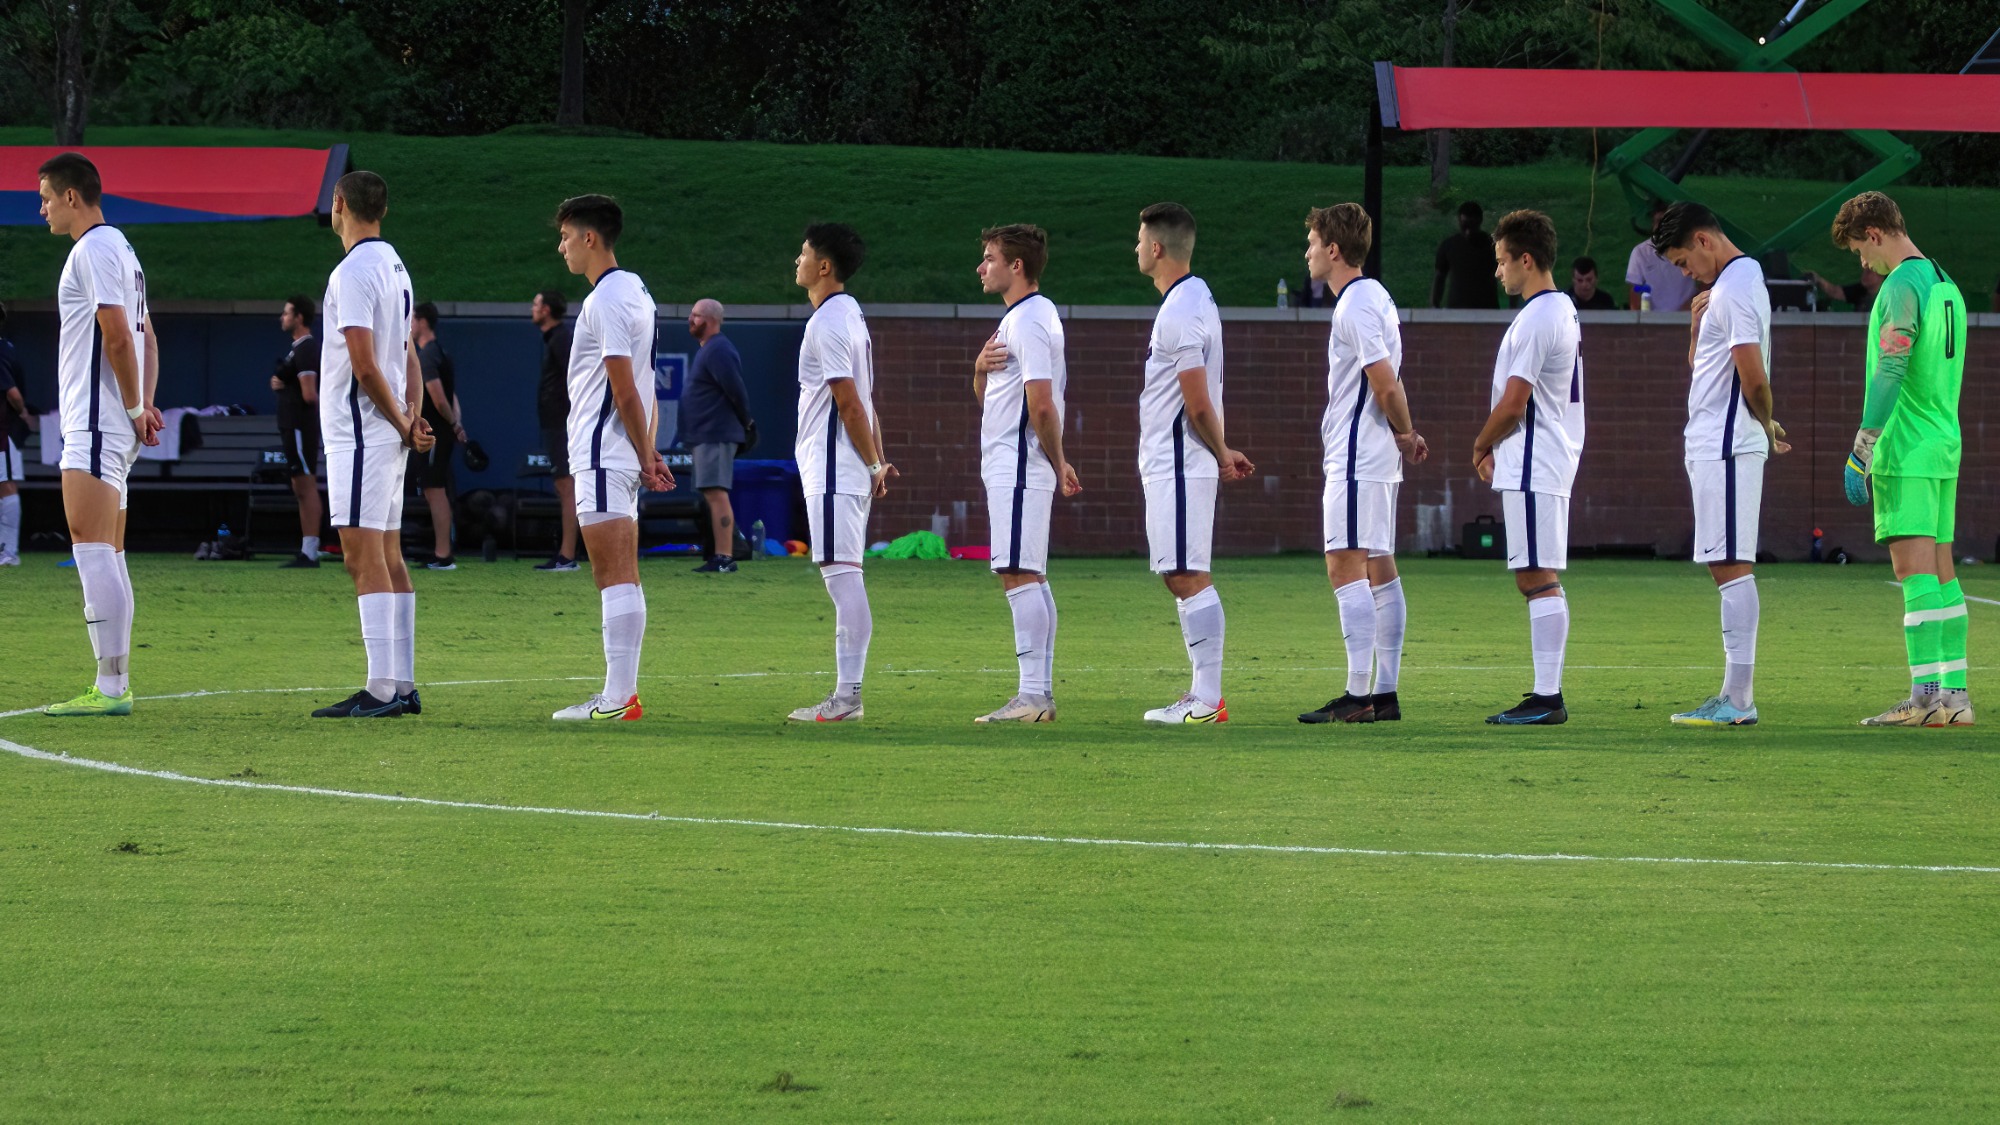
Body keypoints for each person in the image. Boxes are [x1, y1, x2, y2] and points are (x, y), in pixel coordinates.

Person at [1835, 191, 1974, 727]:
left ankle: (1922, 698)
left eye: (1858, 250)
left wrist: (1863, 445)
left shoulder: (1899, 286)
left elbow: (1890, 369)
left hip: (1907, 446)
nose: (1863, 264)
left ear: (1873, 234)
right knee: (1942, 572)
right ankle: (1954, 697)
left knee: (1913, 572)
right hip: (1944, 444)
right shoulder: (1946, 283)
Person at [1650, 202, 1790, 727]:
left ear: (1705, 241)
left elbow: (1752, 376)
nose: (1687, 274)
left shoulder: (1735, 285)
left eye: (1685, 262)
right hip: (1716, 441)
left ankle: (1739, 698)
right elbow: (1710, 368)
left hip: (1728, 442)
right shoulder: (1728, 288)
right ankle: (1733, 694)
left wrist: (1767, 423)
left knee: (1731, 564)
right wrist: (1693, 332)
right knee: (1723, 562)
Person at [35, 153, 162, 715]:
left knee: (91, 549)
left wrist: (136, 406)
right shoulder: (123, 251)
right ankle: (114, 680)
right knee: (110, 551)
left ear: (70, 197)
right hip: (115, 422)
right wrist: (143, 405)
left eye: (45, 197)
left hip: (94, 421)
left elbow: (117, 335)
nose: (41, 208)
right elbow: (148, 338)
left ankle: (110, 686)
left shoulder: (92, 248)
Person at [1297, 203, 1428, 725]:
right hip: (1371, 454)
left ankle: (1357, 695)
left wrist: (1405, 431)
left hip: (1358, 454)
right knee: (1379, 568)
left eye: (1311, 243)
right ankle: (1386, 693)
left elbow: (1383, 379)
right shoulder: (1374, 295)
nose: (1307, 253)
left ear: (1333, 250)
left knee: (1343, 565)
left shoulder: (1354, 303)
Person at [310, 170, 434, 719]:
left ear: (340, 203)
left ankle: (381, 687)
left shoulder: (354, 270)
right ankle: (402, 684)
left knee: (363, 558)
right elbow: (407, 351)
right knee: (388, 553)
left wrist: (405, 421)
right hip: (387, 429)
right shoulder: (395, 264)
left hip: (361, 431)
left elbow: (363, 364)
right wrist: (413, 415)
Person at [547, 195, 669, 722]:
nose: (562, 247)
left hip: (602, 452)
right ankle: (623, 694)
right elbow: (648, 385)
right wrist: (649, 450)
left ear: (589, 238)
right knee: (624, 573)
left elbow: (625, 388)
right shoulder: (638, 291)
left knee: (613, 575)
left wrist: (646, 455)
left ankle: (617, 698)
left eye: (567, 236)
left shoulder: (605, 301)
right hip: (620, 453)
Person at [1133, 203, 1254, 724]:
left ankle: (1207, 699)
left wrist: (1222, 451)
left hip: (1182, 461)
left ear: (1157, 247)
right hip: (1174, 461)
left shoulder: (1181, 309)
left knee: (1187, 572)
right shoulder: (1192, 300)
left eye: (1139, 239)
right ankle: (1202, 695)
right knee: (1179, 572)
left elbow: (1196, 400)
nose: (1135, 248)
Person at [1473, 210, 1584, 726]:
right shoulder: (1554, 310)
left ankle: (1547, 697)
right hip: (1537, 459)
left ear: (1526, 259)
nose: (1498, 273)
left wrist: (1479, 445)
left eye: (1502, 262)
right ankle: (1545, 695)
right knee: (1533, 575)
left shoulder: (1541, 315)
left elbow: (1515, 403)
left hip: (1537, 459)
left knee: (1538, 576)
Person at [969, 223, 1082, 723]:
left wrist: (1058, 461)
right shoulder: (1019, 319)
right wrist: (977, 370)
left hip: (1019, 462)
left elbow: (1040, 403)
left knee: (1018, 572)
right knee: (1026, 571)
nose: (981, 266)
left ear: (1017, 266)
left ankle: (1033, 695)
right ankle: (1037, 693)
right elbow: (998, 400)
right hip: (1010, 460)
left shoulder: (1031, 318)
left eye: (990, 257)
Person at [789, 222, 895, 723]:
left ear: (824, 266)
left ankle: (847, 697)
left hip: (833, 466)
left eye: (804, 253)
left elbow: (849, 401)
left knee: (842, 576)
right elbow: (866, 401)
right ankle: (847, 694)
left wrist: (873, 460)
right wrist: (875, 458)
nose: (798, 260)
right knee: (844, 573)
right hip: (846, 465)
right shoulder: (851, 314)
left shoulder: (828, 321)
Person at [682, 297, 753, 573]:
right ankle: (718, 552)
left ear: (710, 320)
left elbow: (736, 389)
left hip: (716, 433)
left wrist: (746, 422)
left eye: (696, 315)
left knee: (716, 493)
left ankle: (725, 556)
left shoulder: (719, 349)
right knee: (711, 493)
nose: (691, 319)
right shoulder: (709, 349)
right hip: (705, 434)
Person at [269, 294, 325, 568]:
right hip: (293, 427)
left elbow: (310, 395)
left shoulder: (306, 348)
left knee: (306, 484)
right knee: (299, 485)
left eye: (287, 313)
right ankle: (307, 548)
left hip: (301, 426)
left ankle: (311, 551)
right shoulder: (298, 349)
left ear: (299, 317)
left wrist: (287, 385)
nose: (283, 317)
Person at [410, 302, 466, 569]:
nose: (408, 325)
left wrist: (453, 424)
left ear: (422, 322)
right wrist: (457, 424)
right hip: (441, 432)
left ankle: (443, 555)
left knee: (435, 491)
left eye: (411, 320)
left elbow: (439, 397)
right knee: (436, 489)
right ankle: (441, 552)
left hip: (433, 433)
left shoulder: (428, 355)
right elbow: (451, 396)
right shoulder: (440, 352)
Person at [530, 290, 579, 571]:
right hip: (556, 421)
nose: (533, 308)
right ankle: (566, 554)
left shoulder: (561, 339)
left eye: (537, 304)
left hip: (562, 422)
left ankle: (568, 555)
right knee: (564, 486)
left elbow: (573, 378)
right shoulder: (555, 338)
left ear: (547, 309)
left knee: (566, 486)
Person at [0, 301, 35, 567]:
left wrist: (21, 413)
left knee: (6, 485)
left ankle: (9, 552)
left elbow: (13, 394)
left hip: (2, 430)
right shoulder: (7, 348)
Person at [1626, 202, 1696, 312]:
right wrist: (1640, 320)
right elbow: (1635, 288)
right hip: (1653, 321)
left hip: (1687, 318)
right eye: (1659, 221)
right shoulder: (1640, 252)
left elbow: (1706, 283)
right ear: (1653, 224)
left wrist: (1691, 306)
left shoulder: (1690, 249)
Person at [1433, 201, 1498, 309]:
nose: (1468, 232)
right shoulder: (1449, 246)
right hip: (1457, 310)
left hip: (1487, 310)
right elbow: (1439, 277)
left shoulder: (1494, 246)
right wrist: (1434, 307)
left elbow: (1510, 274)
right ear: (1459, 221)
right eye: (1465, 226)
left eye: (1472, 226)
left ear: (1480, 221)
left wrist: (1512, 308)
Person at [1800, 266, 1881, 313]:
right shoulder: (1860, 290)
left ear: (1881, 276)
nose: (1864, 274)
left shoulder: (1887, 297)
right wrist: (1818, 279)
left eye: (1869, 272)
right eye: (1865, 270)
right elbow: (1835, 292)